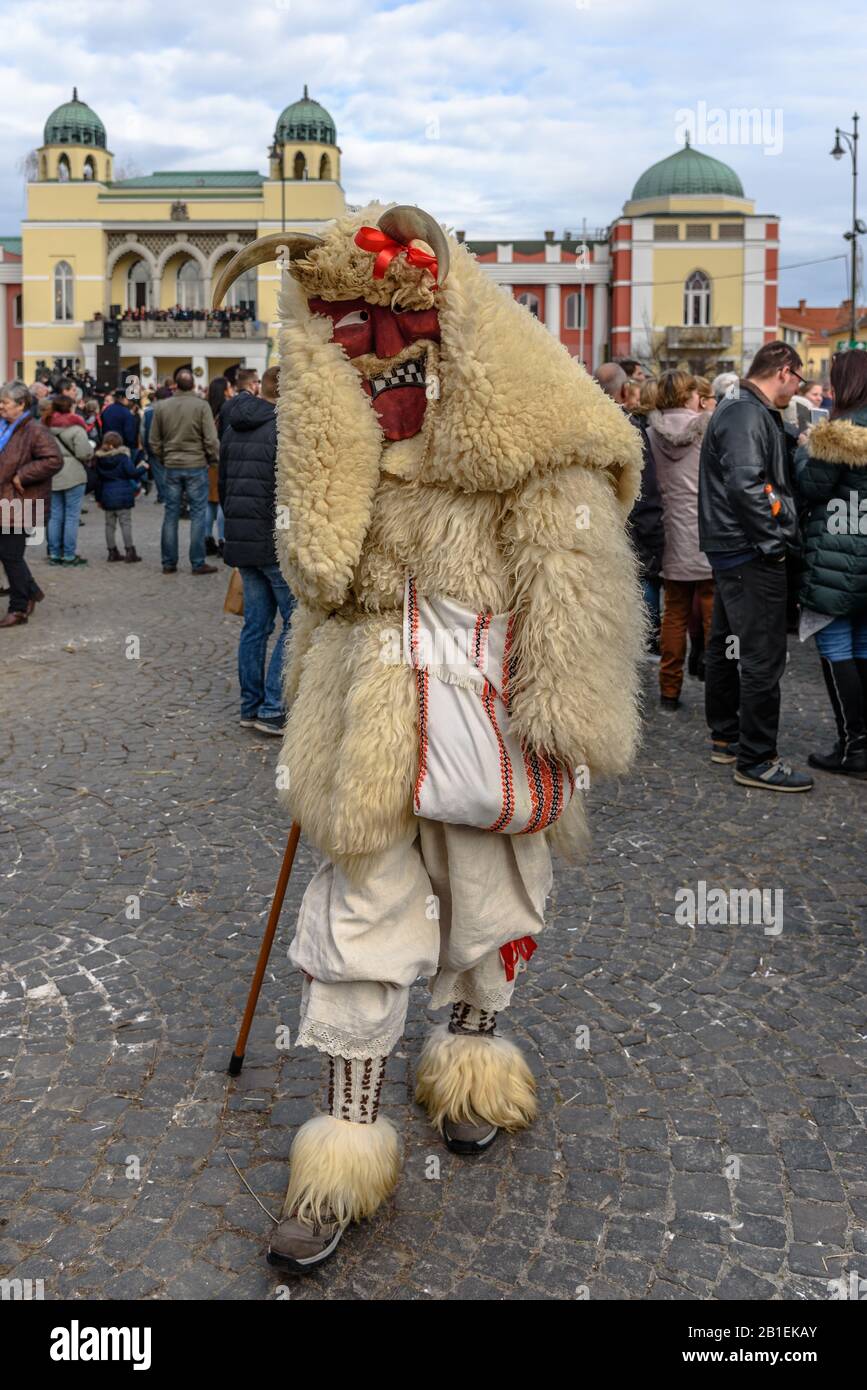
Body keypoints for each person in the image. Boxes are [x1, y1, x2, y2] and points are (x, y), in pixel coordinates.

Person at [215, 205, 645, 1272]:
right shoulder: (346, 444)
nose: (376, 362)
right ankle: (343, 1156)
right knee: (359, 925)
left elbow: (573, 587)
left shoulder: (540, 442)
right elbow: (317, 579)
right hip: (368, 725)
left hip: (492, 721)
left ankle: (470, 1065)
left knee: (491, 906)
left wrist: (567, 726)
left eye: (390, 338)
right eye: (350, 340)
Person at [699, 341, 813, 790]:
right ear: (785, 372)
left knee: (728, 644)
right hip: (748, 550)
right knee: (762, 656)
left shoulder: (743, 409)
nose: (796, 389)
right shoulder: (746, 413)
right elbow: (747, 484)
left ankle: (728, 737)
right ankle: (757, 757)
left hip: (734, 547)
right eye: (797, 380)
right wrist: (773, 543)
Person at [794, 350, 867, 777]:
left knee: (837, 646)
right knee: (861, 645)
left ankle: (853, 748)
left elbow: (811, 486)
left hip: (836, 551)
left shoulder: (837, 433)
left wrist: (805, 450)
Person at [219, 364, 295, 734]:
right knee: (294, 623)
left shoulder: (233, 426)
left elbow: (223, 480)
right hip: (272, 540)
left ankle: (249, 706)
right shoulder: (285, 428)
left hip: (241, 537)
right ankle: (272, 707)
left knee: (255, 626)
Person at [647, 372, 713, 708]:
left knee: (673, 612)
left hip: (670, 532)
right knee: (712, 610)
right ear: (690, 395)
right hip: (706, 531)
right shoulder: (709, 428)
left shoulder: (649, 434)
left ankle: (668, 691)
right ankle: (718, 685)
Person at [595, 365, 663, 654]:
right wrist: (655, 539)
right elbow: (643, 490)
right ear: (624, 391)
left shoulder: (578, 422)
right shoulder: (629, 428)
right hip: (629, 534)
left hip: (593, 533)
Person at [0, 380, 60, 625]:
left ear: (21, 404)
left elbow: (54, 460)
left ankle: (19, 608)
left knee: (10, 554)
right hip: (5, 502)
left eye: (5, 403)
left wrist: (22, 474)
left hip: (22, 502)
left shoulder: (34, 430)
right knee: (6, 554)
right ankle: (31, 591)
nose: (1, 407)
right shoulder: (4, 427)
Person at [149, 367, 219, 575]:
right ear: (194, 385)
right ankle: (197, 562)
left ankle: (169, 562)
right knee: (198, 514)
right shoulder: (201, 406)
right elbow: (210, 439)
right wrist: (213, 459)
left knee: (170, 514)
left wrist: (164, 457)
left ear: (175, 386)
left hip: (172, 465)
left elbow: (153, 440)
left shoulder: (162, 406)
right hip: (196, 463)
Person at [45, 394, 93, 566]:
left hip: (52, 473)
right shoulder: (77, 428)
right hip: (73, 474)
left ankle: (54, 554)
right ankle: (69, 555)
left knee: (55, 515)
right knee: (72, 516)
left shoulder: (45, 428)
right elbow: (83, 453)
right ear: (70, 408)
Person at [93, 429, 147, 563]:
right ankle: (130, 551)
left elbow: (98, 481)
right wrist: (143, 468)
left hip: (107, 495)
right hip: (123, 495)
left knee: (109, 525)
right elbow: (132, 473)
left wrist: (98, 498)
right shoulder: (123, 457)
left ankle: (112, 552)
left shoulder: (99, 459)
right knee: (125, 523)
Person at [206, 375, 233, 554]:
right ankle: (223, 539)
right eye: (229, 386)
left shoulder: (207, 408)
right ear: (224, 390)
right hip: (223, 459)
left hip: (209, 460)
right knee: (224, 502)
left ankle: (207, 538)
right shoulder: (227, 408)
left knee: (210, 502)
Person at [142, 387, 171, 503]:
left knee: (159, 473)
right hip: (170, 445)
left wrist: (145, 446)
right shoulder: (172, 409)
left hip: (153, 446)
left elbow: (143, 431)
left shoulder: (148, 411)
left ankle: (162, 496)